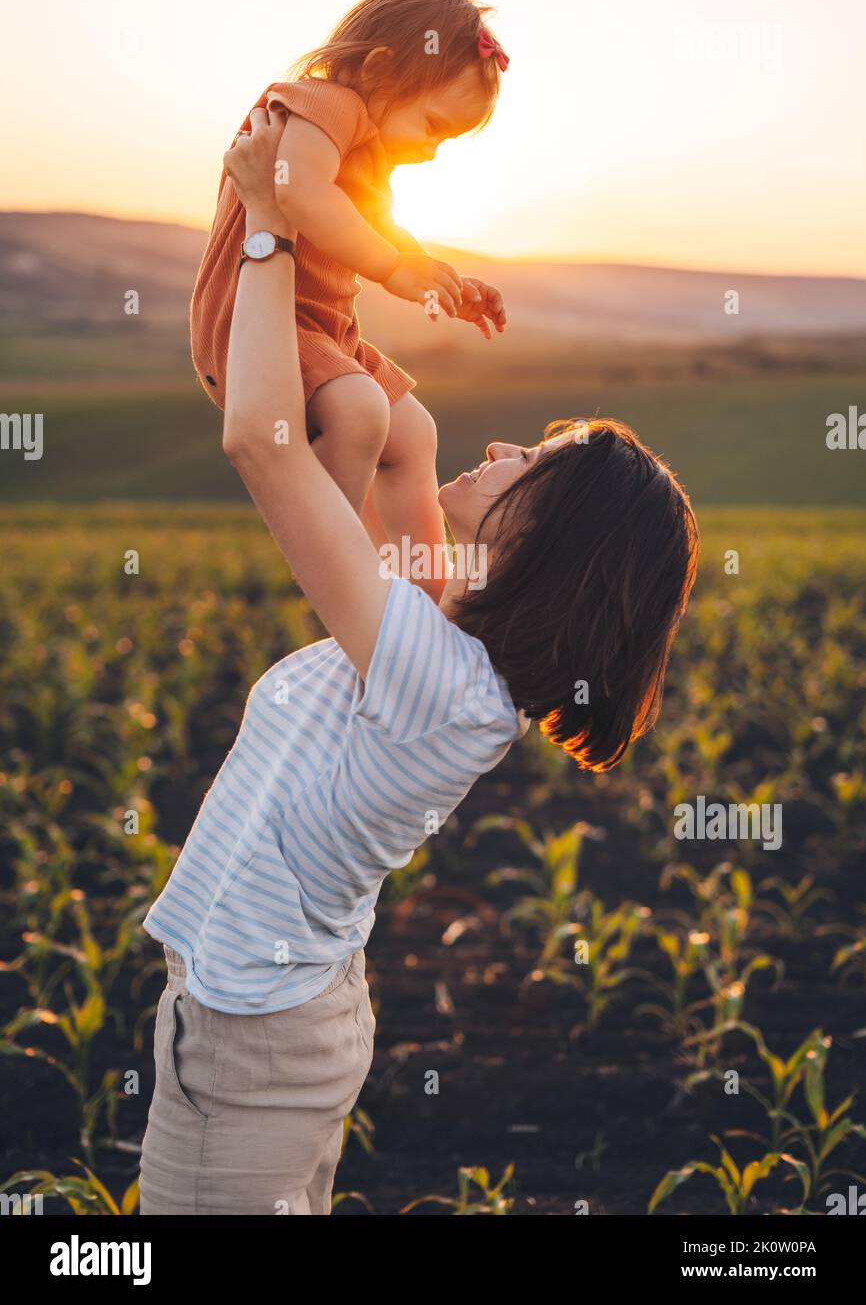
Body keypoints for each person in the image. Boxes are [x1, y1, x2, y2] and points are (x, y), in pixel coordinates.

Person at [138, 108, 699, 1216]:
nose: (504, 447)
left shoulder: (436, 681)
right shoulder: (449, 638)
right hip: (280, 1020)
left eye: (530, 459)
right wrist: (357, 273)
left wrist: (267, 227)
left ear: (549, 538)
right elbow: (410, 445)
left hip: (250, 1046)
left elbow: (260, 438)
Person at [190, 0, 509, 599]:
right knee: (359, 410)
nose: (433, 151)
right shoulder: (321, 103)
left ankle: (422, 595)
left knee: (414, 432)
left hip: (326, 331)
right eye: (434, 126)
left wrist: (435, 275)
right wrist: (393, 268)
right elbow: (298, 192)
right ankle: (333, 564)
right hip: (260, 326)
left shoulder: (365, 147)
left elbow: (372, 228)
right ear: (381, 70)